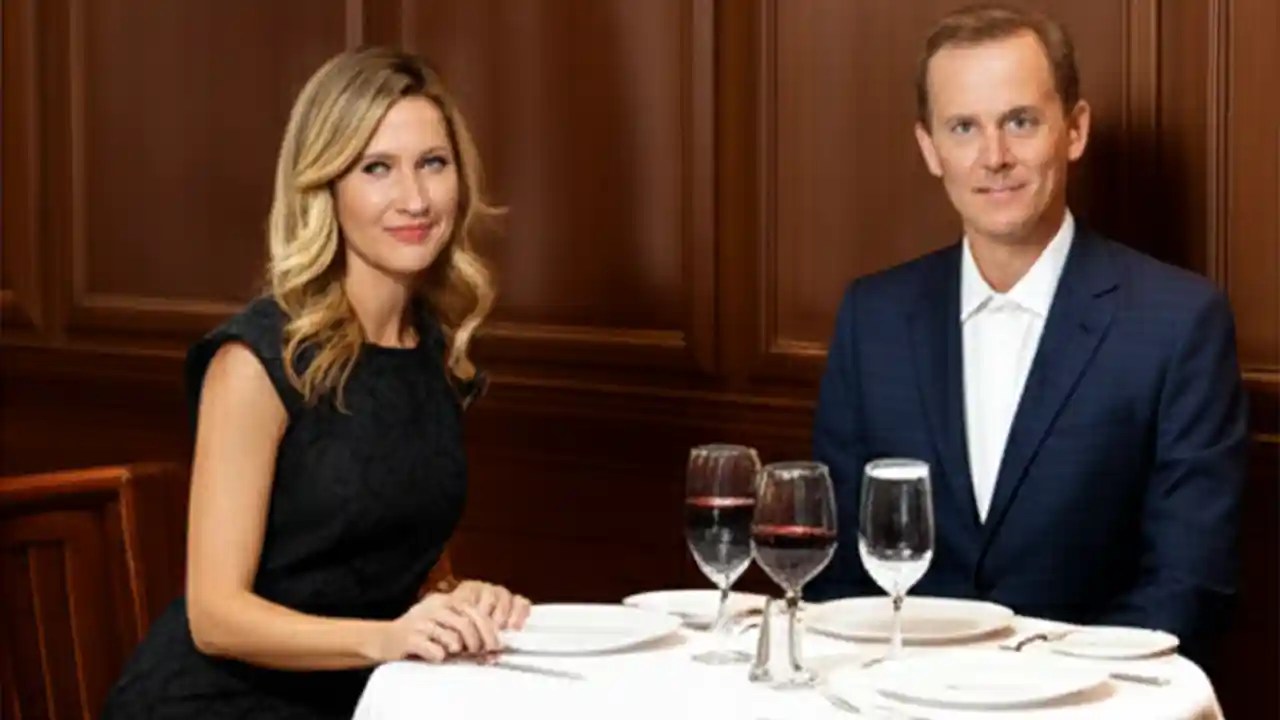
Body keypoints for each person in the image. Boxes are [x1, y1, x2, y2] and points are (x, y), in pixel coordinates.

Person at [806, 4, 1248, 664]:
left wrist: (1031, 685)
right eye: (964, 127)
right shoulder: (873, 318)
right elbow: (837, 570)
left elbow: (1190, 584)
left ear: (1074, 130)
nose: (994, 158)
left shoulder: (1180, 321)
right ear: (929, 147)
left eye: (1020, 121)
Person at [104, 46, 530, 718]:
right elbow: (215, 616)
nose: (414, 198)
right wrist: (386, 638)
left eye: (433, 164)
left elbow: (374, 556)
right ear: (325, 186)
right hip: (216, 704)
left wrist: (450, 597)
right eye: (376, 168)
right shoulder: (256, 360)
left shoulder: (433, 349)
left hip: (364, 696)